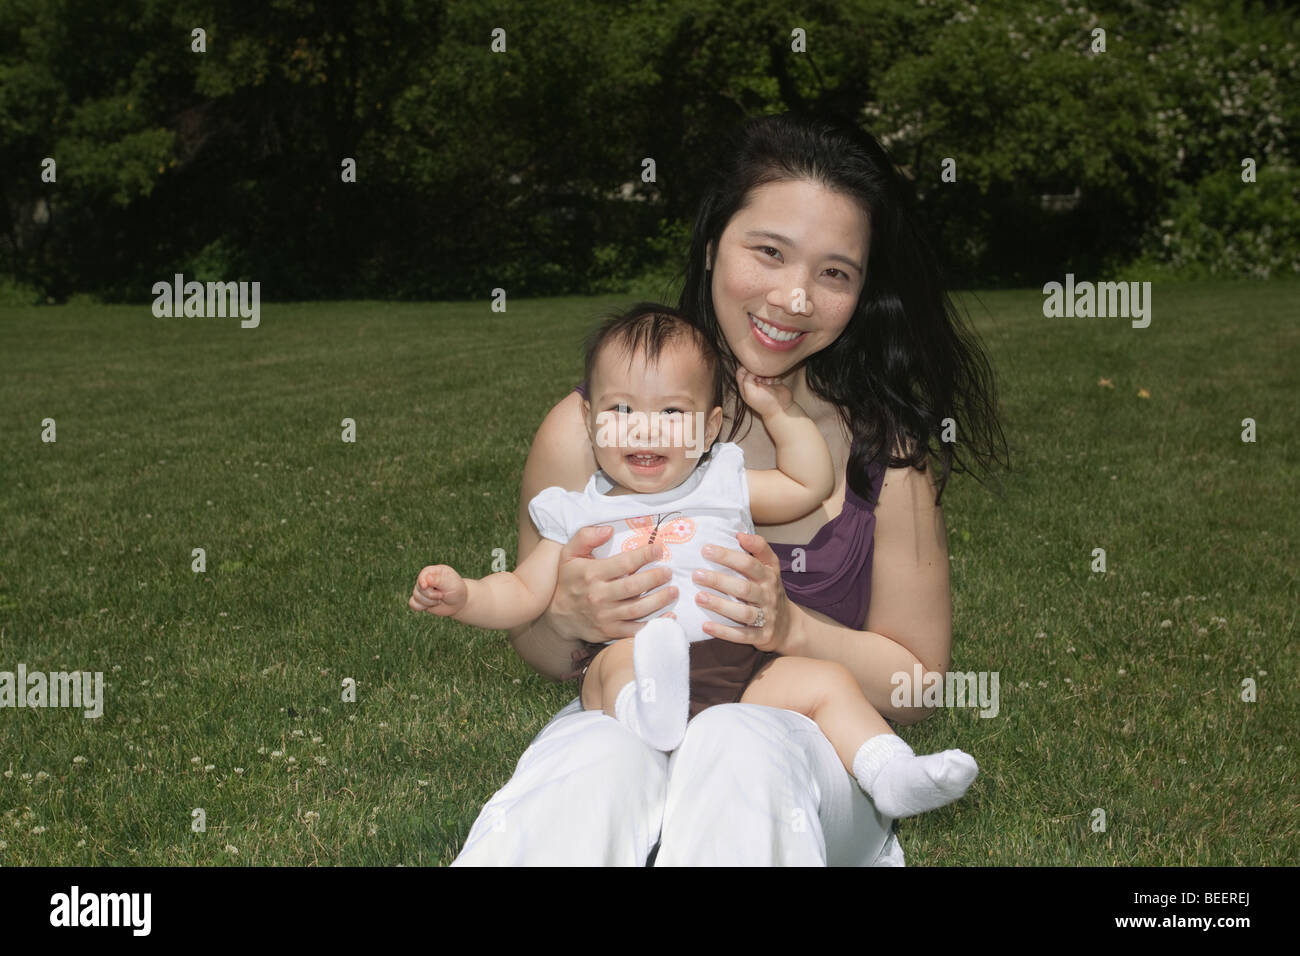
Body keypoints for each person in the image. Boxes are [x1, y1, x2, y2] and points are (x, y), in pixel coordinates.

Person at [448, 112, 1005, 865]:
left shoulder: (886, 454)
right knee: (592, 769)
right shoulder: (589, 431)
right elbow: (542, 644)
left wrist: (794, 631)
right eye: (769, 252)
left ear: (863, 290)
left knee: (735, 743)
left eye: (834, 272)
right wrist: (569, 617)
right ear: (714, 244)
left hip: (795, 749)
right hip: (635, 719)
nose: (795, 297)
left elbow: (916, 688)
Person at [411, 305, 979, 821]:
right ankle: (648, 725)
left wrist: (779, 412)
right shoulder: (575, 510)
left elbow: (808, 483)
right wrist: (466, 596)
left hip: (741, 666)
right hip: (635, 660)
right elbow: (523, 592)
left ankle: (890, 770)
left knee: (825, 684)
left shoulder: (723, 482)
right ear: (588, 419)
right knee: (617, 667)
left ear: (709, 429)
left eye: (673, 413)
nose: (645, 427)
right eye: (620, 409)